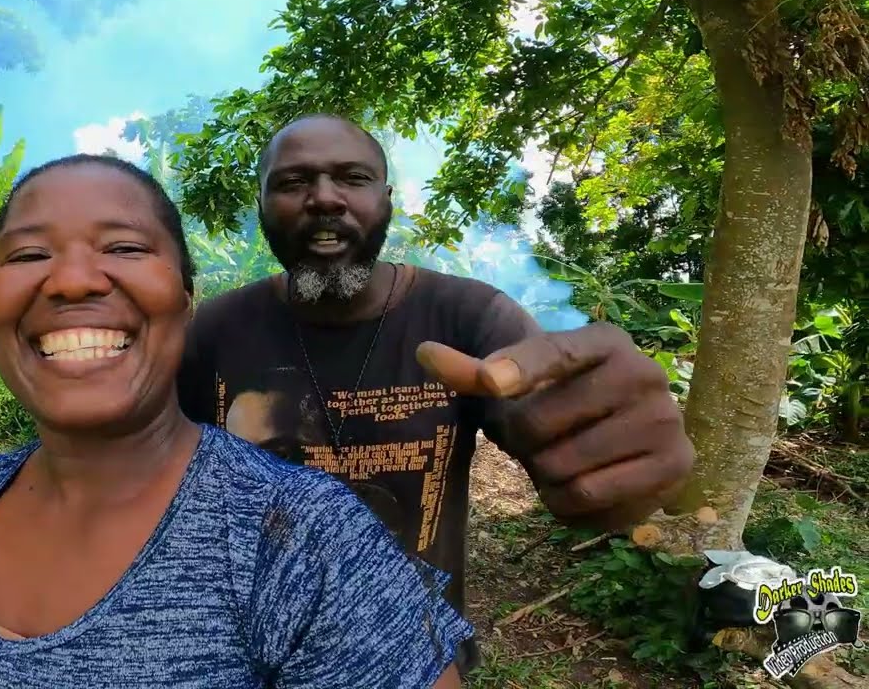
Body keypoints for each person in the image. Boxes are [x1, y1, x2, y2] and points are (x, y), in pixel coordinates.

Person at [0, 154, 473, 688]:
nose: (72, 280)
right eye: (29, 253)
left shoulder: (299, 540)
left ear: (185, 301)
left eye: (124, 247)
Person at [176, 114, 697, 674]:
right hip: (257, 659)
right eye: (292, 181)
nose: (324, 198)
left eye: (351, 177)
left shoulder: (466, 317)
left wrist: (610, 455)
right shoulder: (215, 330)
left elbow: (550, 416)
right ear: (260, 204)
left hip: (418, 659)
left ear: (387, 200)